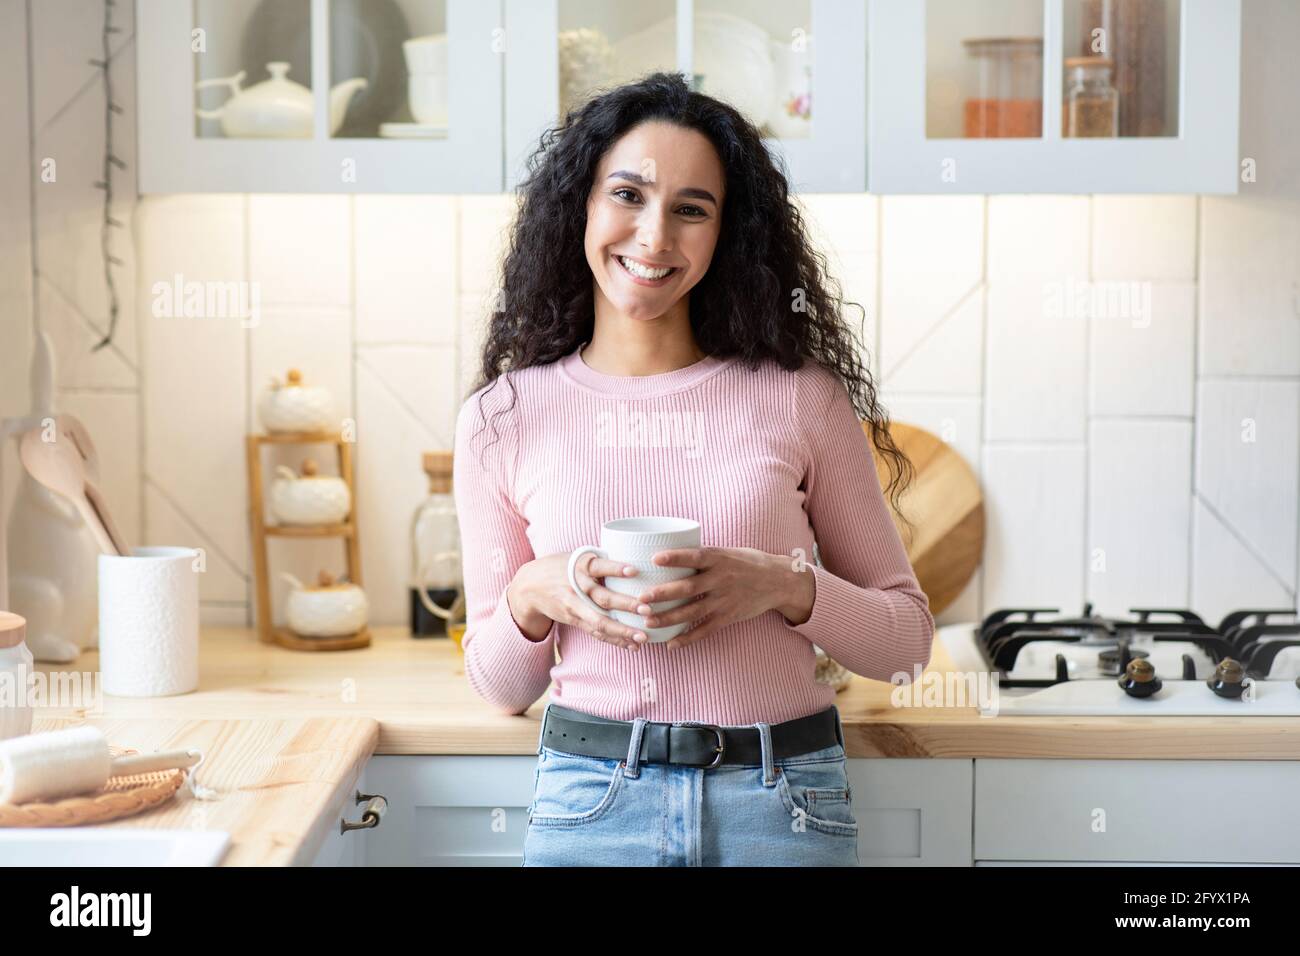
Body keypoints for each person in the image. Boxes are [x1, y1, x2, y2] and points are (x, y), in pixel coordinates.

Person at [452, 71, 934, 866]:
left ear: (727, 233)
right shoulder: (503, 417)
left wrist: (787, 585)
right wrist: (533, 593)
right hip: (588, 802)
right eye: (629, 195)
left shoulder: (800, 399)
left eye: (691, 209)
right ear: (581, 204)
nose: (653, 238)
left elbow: (907, 646)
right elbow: (500, 687)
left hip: (784, 802)